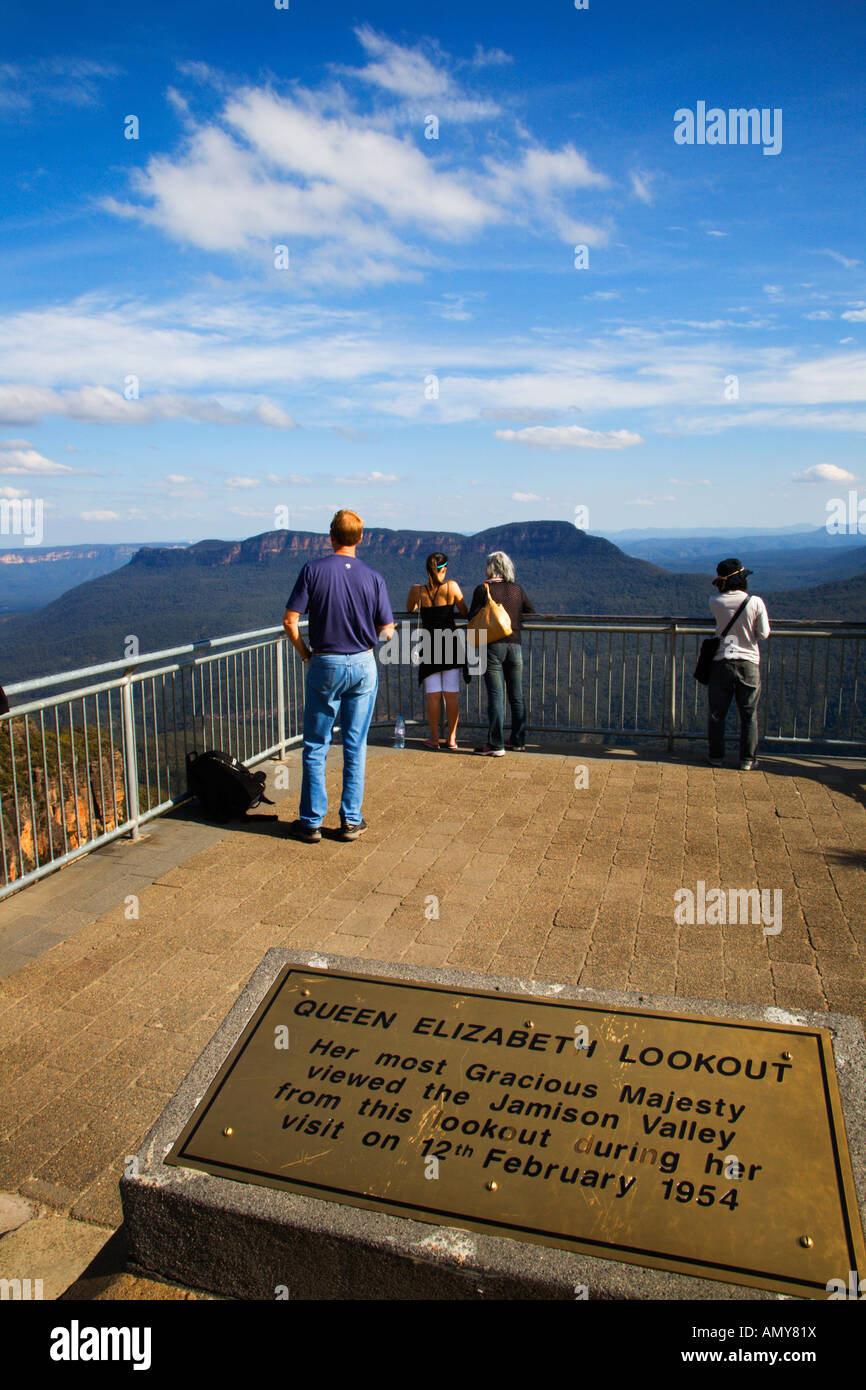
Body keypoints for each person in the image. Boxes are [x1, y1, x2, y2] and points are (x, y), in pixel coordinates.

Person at [283, 509, 394, 842]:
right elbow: (387, 630)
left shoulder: (312, 570)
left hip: (325, 662)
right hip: (362, 664)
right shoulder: (374, 577)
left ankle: (311, 822)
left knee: (316, 744)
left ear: (331, 536)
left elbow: (290, 621)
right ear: (360, 538)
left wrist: (306, 654)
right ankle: (350, 821)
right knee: (354, 744)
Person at [468, 551, 535, 756]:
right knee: (517, 695)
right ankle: (518, 740)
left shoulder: (483, 589)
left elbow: (472, 616)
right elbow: (530, 611)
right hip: (515, 646)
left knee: (496, 696)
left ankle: (496, 745)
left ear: (490, 568)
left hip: (493, 647)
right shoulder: (517, 589)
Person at [707, 558, 770, 771]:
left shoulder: (715, 601)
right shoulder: (756, 602)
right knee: (748, 714)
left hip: (721, 661)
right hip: (748, 662)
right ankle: (747, 760)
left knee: (717, 713)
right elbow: (763, 633)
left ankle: (716, 756)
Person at [407, 553, 468, 750]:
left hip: (430, 647)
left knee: (433, 696)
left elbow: (410, 608)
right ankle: (451, 738)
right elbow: (465, 611)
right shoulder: (452, 587)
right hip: (450, 645)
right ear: (443, 569)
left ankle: (434, 738)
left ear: (427, 570)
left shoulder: (418, 590)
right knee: (451, 695)